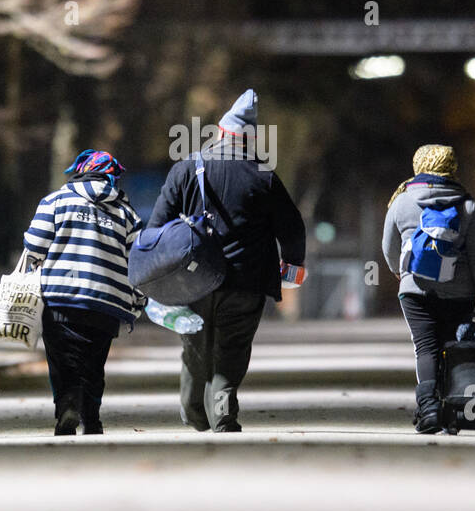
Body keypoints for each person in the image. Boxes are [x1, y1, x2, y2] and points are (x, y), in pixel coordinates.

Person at [147, 89, 306, 432]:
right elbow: (292, 229)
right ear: (249, 141)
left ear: (220, 133)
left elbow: (157, 225)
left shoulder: (186, 169)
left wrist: (157, 275)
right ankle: (222, 410)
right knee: (232, 349)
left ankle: (193, 413)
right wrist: (291, 270)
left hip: (192, 281)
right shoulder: (264, 177)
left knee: (195, 345)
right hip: (246, 282)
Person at [23, 150, 145, 435]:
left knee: (62, 359)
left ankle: (67, 405)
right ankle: (92, 419)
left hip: (60, 298)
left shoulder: (55, 201)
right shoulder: (127, 214)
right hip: (107, 302)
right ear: (112, 177)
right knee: (93, 363)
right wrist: (137, 302)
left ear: (79, 171)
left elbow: (34, 246)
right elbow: (138, 262)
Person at [382, 144, 475, 434]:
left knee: (425, 348)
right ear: (452, 168)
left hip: (414, 290)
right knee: (451, 347)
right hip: (459, 292)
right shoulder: (469, 206)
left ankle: (428, 408)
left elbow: (388, 247)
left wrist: (399, 271)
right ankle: (450, 410)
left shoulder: (402, 201)